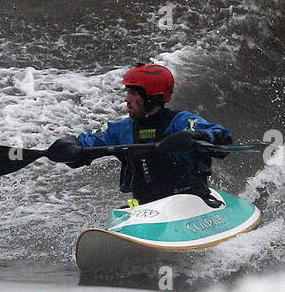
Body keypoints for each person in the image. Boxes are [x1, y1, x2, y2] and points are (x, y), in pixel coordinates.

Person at [45, 63, 234, 205]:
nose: (127, 99)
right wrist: (69, 146)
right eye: (128, 92)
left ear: (152, 97)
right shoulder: (121, 129)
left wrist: (194, 137)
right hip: (146, 208)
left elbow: (222, 137)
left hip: (190, 203)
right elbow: (85, 141)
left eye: (134, 93)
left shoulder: (180, 122)